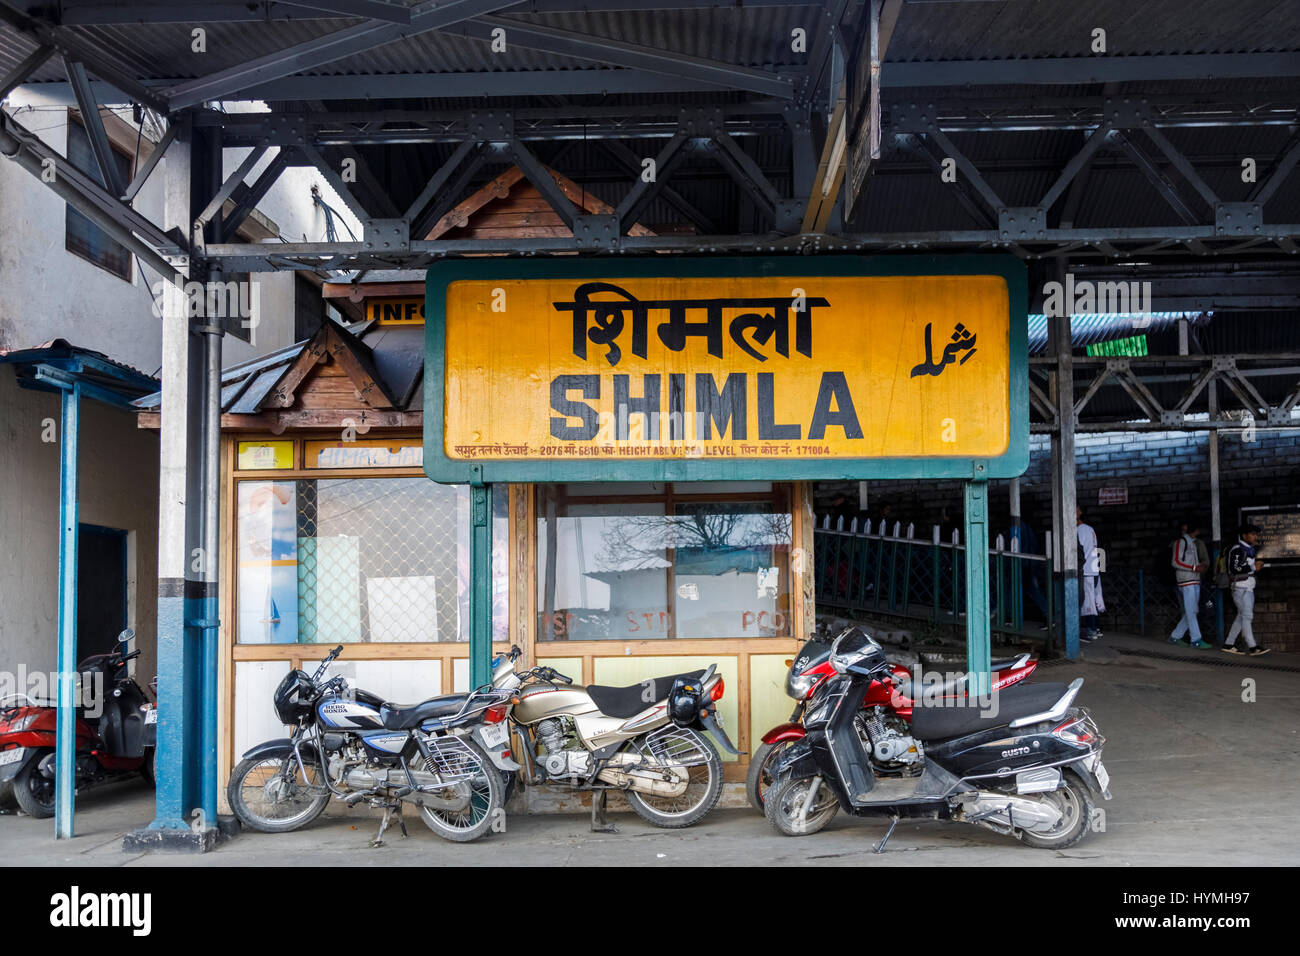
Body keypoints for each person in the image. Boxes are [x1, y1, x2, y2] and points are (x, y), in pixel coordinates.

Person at [1222, 524, 1271, 656]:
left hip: (1247, 587)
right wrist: (1254, 567)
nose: (1256, 536)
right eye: (1252, 534)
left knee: (1241, 616)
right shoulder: (1238, 549)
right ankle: (1253, 647)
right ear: (1244, 535)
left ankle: (1229, 644)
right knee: (1247, 616)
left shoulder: (1249, 549)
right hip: (1240, 588)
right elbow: (1234, 568)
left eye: (1256, 534)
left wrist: (1254, 567)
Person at [1169, 521, 1210, 649]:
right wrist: (1193, 568)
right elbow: (1175, 562)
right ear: (1195, 530)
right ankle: (1196, 639)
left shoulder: (1192, 543)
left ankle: (1175, 636)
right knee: (1192, 611)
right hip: (1186, 580)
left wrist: (1197, 569)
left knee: (1192, 611)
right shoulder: (1181, 542)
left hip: (1193, 580)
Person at [1076, 507, 1104, 642]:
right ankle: (1096, 628)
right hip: (1094, 568)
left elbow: (1079, 551)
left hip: (1086, 570)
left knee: (1087, 601)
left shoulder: (1079, 530)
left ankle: (1091, 630)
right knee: (1092, 599)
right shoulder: (1090, 529)